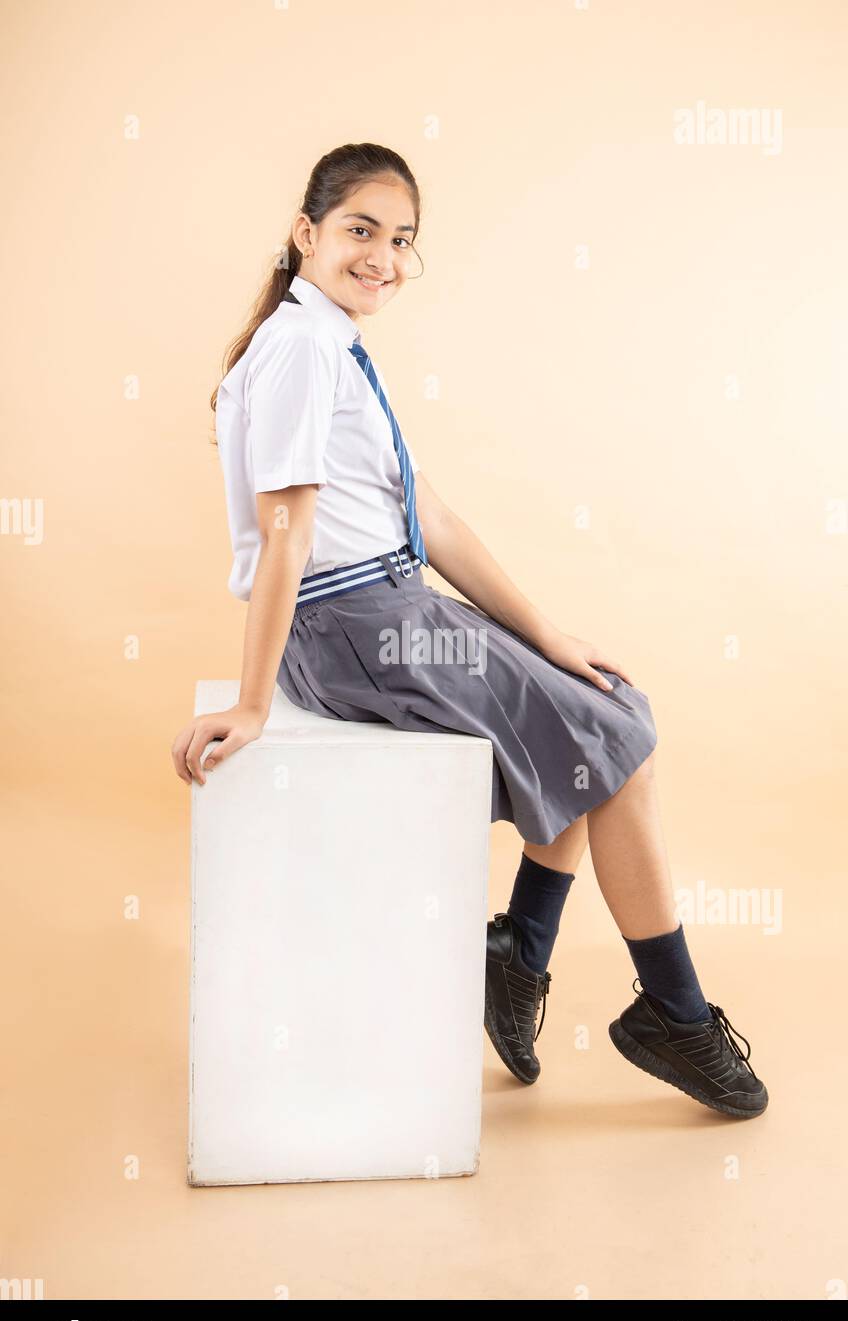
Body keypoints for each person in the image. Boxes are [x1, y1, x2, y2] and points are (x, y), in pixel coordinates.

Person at [171, 142, 768, 1120]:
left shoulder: (326, 344)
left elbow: (432, 519)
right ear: (306, 232)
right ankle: (671, 1010)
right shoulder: (300, 349)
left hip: (388, 608)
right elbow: (285, 530)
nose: (383, 256)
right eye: (360, 230)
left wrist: (545, 635)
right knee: (611, 746)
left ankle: (519, 953)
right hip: (356, 624)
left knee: (600, 710)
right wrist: (251, 698)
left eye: (402, 240)